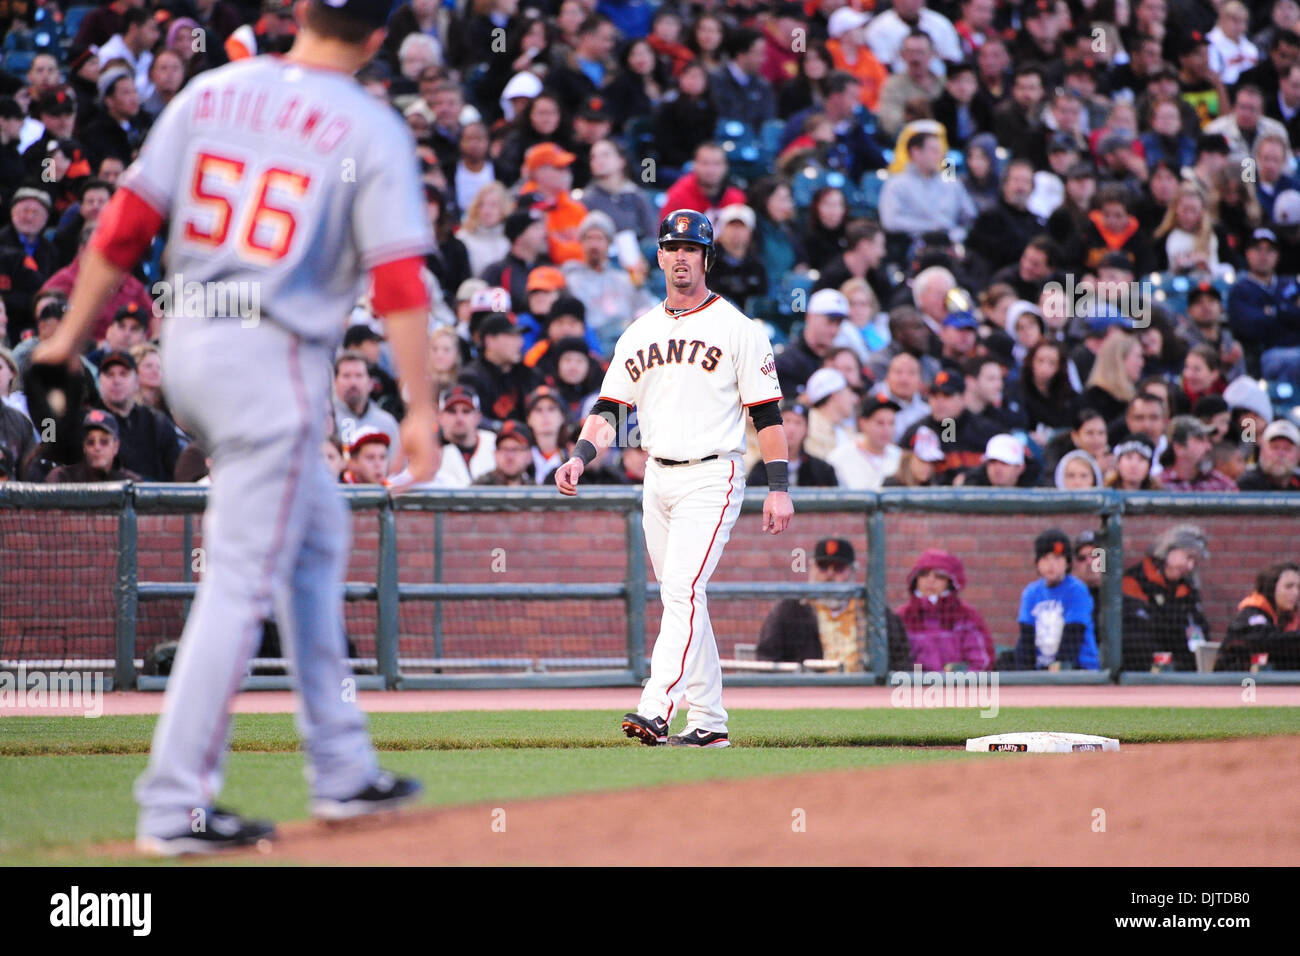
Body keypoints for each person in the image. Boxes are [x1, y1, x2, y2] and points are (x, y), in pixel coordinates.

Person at [29, 0, 437, 854]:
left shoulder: (214, 90)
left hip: (186, 345)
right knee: (241, 583)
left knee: (320, 541)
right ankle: (174, 804)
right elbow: (398, 282)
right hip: (272, 359)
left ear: (297, 14)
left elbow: (128, 224)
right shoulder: (369, 125)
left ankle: (343, 771)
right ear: (375, 38)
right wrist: (423, 409)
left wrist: (68, 337)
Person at [554, 209, 792, 748]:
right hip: (657, 476)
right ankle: (709, 722)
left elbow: (768, 417)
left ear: (706, 258)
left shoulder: (738, 328)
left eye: (691, 247)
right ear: (658, 256)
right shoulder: (640, 330)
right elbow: (611, 408)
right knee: (685, 597)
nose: (681, 255)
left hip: (714, 473)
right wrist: (580, 456)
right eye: (672, 246)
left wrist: (779, 487)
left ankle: (656, 706)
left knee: (683, 589)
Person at [756, 538, 912, 673]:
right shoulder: (790, 611)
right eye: (823, 567)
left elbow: (901, 662)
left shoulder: (874, 611)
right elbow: (766, 659)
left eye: (838, 568)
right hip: (808, 696)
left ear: (852, 571)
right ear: (812, 568)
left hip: (863, 694)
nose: (829, 574)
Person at [1121, 523, 1212, 671]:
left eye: (1195, 561)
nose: (1190, 566)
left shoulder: (1187, 587)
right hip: (1144, 672)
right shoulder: (1135, 581)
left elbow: (1200, 632)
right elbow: (1136, 638)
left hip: (1186, 674)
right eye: (1188, 557)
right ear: (1169, 550)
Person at [1014, 528, 1100, 671]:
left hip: (1080, 670)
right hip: (1042, 669)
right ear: (1037, 564)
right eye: (1045, 558)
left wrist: (1058, 671)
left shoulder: (1077, 590)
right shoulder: (1031, 593)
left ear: (1067, 563)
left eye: (1057, 558)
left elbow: (1073, 637)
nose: (1051, 564)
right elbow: (1026, 639)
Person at [895, 549, 993, 672]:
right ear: (916, 579)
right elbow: (895, 663)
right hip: (915, 688)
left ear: (950, 581)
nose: (930, 580)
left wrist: (961, 683)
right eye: (924, 574)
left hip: (959, 687)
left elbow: (981, 661)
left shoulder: (966, 616)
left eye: (939, 576)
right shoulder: (903, 616)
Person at [1217, 561, 1300, 671]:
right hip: (1235, 683)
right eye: (1289, 586)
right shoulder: (1251, 615)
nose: (1296, 593)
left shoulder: (1286, 619)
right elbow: (1266, 643)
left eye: (1298, 587)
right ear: (1272, 587)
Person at [332, 351, 402, 473]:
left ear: (370, 383)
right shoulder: (325, 420)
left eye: (359, 375)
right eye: (346, 376)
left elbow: (396, 470)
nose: (353, 383)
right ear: (335, 382)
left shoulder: (387, 423)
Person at [748, 399, 838, 487]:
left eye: (798, 423)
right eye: (787, 421)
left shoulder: (822, 470)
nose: (792, 429)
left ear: (807, 430)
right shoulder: (762, 468)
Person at [827, 391, 902, 490]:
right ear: (862, 423)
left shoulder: (901, 457)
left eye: (891, 423)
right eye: (880, 423)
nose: (886, 430)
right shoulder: (839, 457)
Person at [1159, 415, 1239, 491]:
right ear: (1179, 447)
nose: (1208, 447)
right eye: (1200, 440)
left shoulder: (1222, 485)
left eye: (1208, 440)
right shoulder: (1159, 484)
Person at [1236, 419, 1300, 490]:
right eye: (1275, 447)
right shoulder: (1245, 483)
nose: (1280, 454)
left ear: (1298, 454)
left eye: (1287, 449)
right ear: (1262, 450)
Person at [473, 419, 535, 486]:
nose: (509, 456)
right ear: (495, 454)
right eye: (504, 449)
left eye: (515, 449)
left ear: (529, 455)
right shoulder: (479, 488)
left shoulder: (536, 491)